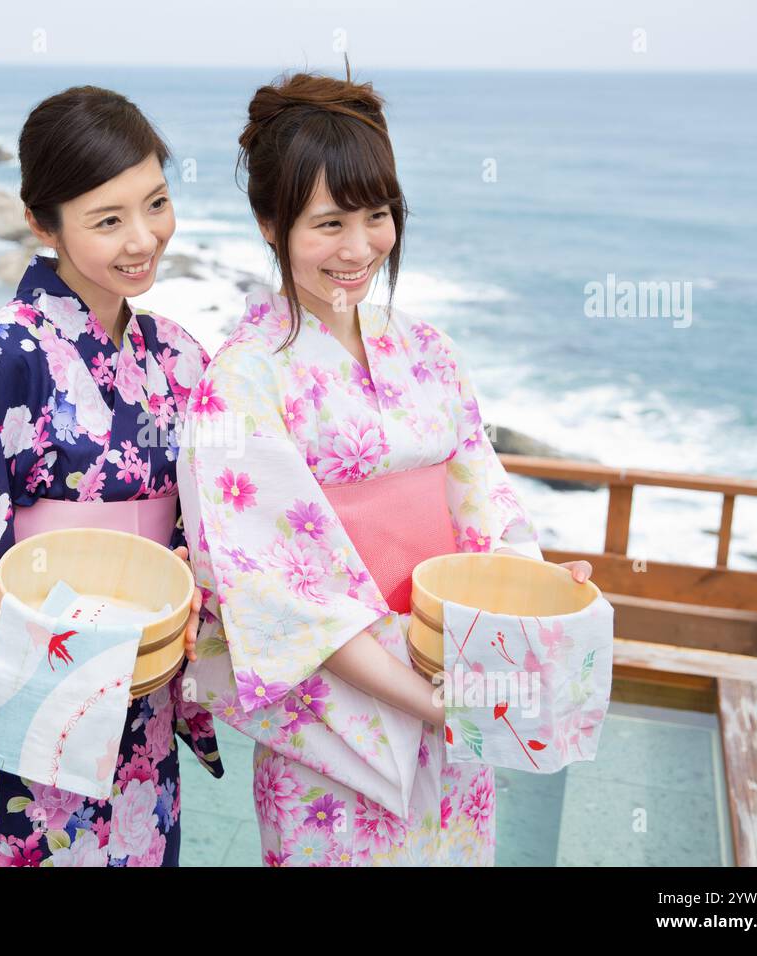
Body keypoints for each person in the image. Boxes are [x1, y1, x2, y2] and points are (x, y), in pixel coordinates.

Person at [178, 66, 593, 866]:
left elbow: (486, 504)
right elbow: (284, 596)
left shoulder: (428, 350)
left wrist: (526, 598)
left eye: (377, 217)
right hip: (346, 719)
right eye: (329, 224)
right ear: (270, 223)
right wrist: (434, 704)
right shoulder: (243, 379)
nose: (360, 248)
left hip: (451, 671)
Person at [0, 86, 223, 866]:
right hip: (30, 685)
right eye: (107, 219)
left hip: (143, 685)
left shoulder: (181, 356)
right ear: (40, 221)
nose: (143, 238)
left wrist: (200, 582)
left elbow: (211, 521)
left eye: (156, 204)